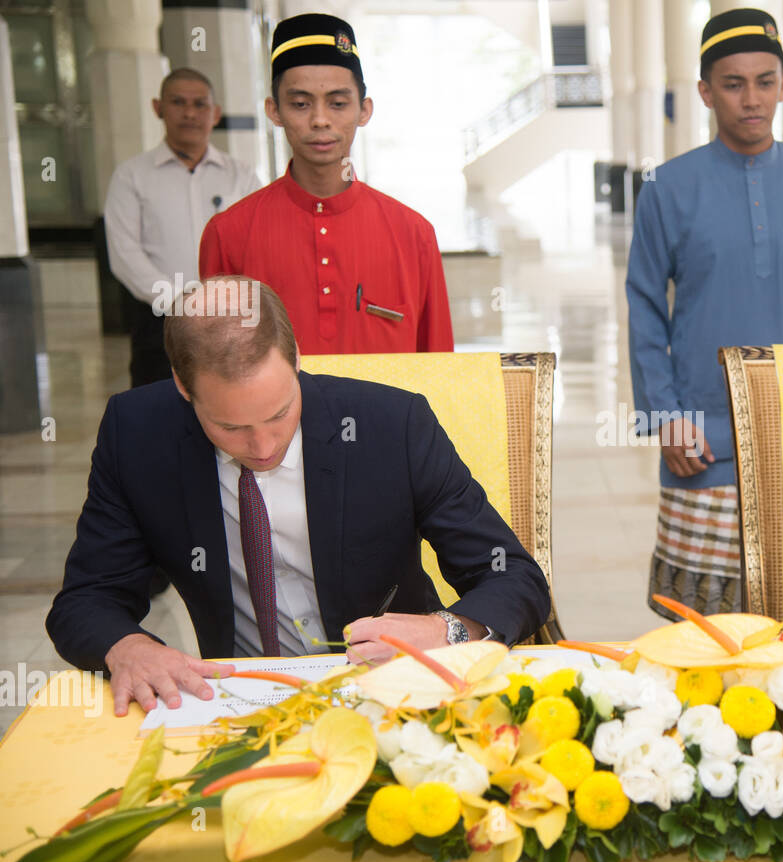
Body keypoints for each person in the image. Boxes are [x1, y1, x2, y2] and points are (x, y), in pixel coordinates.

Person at [47, 278, 551, 717]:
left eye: (279, 413)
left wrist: (445, 631)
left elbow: (516, 578)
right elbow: (86, 600)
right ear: (183, 386)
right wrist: (128, 646)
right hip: (238, 702)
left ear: (296, 358)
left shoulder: (391, 426)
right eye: (229, 427)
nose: (263, 446)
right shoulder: (136, 433)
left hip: (393, 690)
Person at [627, 6, 783, 619]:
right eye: (732, 84)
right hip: (701, 440)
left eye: (764, 81)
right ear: (706, 91)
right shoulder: (668, 188)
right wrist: (666, 415)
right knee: (702, 620)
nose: (751, 99)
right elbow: (644, 305)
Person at [199, 13, 453, 354]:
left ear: (364, 111)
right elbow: (215, 365)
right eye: (300, 104)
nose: (320, 120)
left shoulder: (414, 235)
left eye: (338, 103)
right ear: (274, 111)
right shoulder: (228, 235)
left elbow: (439, 365)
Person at [104, 68, 261, 387]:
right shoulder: (131, 176)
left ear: (215, 113)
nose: (189, 113)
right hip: (159, 323)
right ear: (158, 108)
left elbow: (258, 244)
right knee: (160, 408)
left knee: (230, 407)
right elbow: (125, 253)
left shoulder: (241, 176)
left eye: (200, 104)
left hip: (232, 321)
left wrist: (227, 303)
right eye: (178, 102)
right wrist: (180, 303)